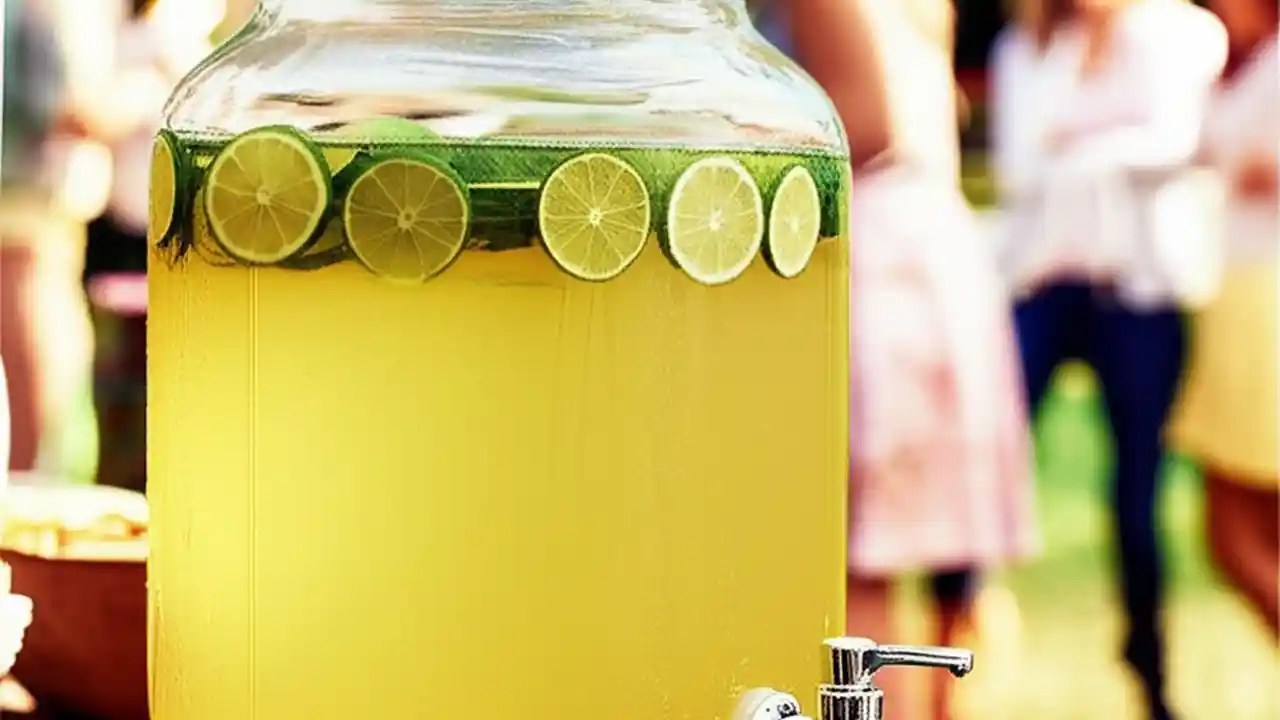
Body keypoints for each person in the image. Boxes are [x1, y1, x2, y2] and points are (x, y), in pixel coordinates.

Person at [786, 2, 1037, 718]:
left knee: (862, 560)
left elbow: (866, 125)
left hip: (880, 259)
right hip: (936, 241)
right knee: (933, 560)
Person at [990, 1, 1228, 717]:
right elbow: (1020, 167)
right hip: (1044, 283)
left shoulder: (1180, 34)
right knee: (989, 457)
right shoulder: (1028, 47)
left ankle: (1148, 665)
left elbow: (1180, 143)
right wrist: (1109, 145)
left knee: (1135, 495)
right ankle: (958, 633)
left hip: (1139, 293)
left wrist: (1079, 144)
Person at [1172, 0, 1278, 640]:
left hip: (1267, 294)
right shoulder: (1230, 65)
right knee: (1235, 531)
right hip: (1231, 293)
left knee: (1238, 530)